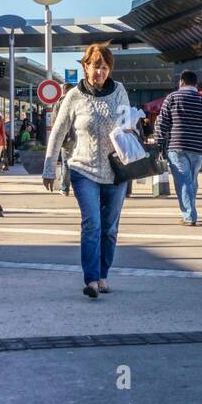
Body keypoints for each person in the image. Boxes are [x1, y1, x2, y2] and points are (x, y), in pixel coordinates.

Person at [41, 42, 130, 300]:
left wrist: (129, 132)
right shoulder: (74, 96)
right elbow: (57, 132)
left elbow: (127, 125)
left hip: (116, 170)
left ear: (109, 69)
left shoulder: (119, 92)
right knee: (92, 223)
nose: (99, 72)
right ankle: (91, 279)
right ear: (85, 67)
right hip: (83, 169)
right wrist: (50, 168)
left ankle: (103, 275)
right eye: (94, 66)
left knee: (110, 227)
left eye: (104, 67)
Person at [153, 70, 202, 226]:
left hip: (177, 146)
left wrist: (158, 143)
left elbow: (162, 122)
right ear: (196, 84)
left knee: (183, 181)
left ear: (181, 82)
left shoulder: (171, 98)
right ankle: (189, 209)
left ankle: (189, 215)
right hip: (198, 147)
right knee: (191, 180)